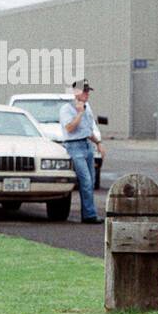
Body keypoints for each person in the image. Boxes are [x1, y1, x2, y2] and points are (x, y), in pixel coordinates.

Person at [60, 79, 104, 224]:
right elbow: (69, 128)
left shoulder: (87, 107)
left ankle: (87, 214)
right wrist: (79, 113)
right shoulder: (66, 109)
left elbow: (88, 129)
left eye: (88, 91)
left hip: (87, 145)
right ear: (76, 92)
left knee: (91, 181)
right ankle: (90, 215)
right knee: (85, 180)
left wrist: (98, 143)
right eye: (84, 91)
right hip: (74, 146)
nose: (87, 94)